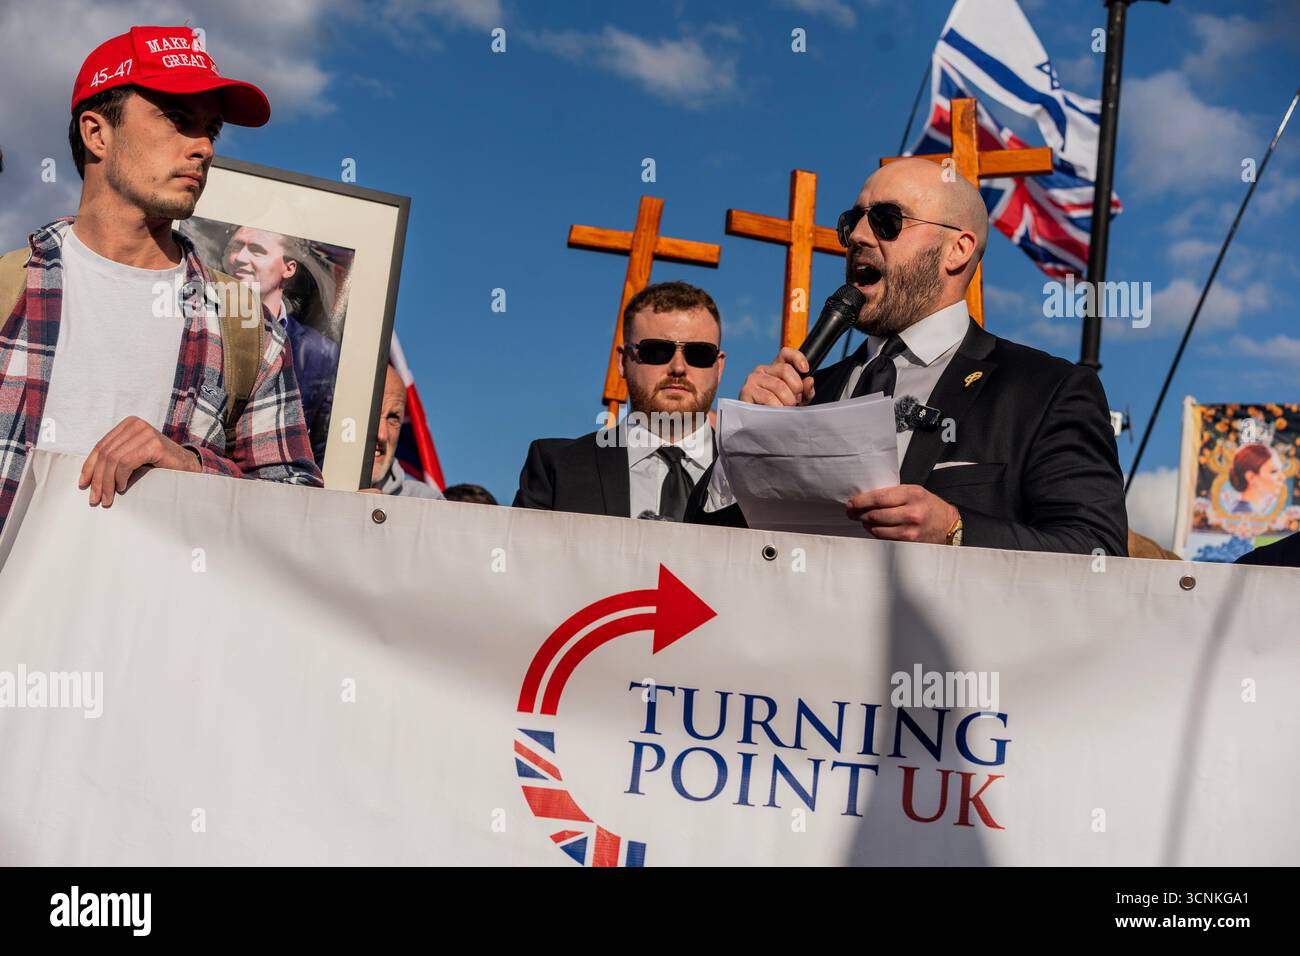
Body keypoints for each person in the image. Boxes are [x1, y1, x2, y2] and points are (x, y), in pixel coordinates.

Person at [691, 157, 1127, 557]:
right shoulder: (806, 395)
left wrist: (957, 529)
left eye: (886, 220)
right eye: (852, 221)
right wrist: (746, 446)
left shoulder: (1046, 390)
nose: (859, 237)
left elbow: (1097, 550)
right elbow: (702, 546)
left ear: (957, 250)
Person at [0, 25, 320, 532]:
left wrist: (191, 468)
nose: (203, 148)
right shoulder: (7, 291)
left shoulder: (243, 325)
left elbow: (298, 508)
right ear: (96, 133)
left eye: (210, 130)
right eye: (175, 119)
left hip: (156, 609)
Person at [514, 281, 725, 520]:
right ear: (622, 361)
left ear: (719, 367)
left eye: (699, 353)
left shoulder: (754, 477)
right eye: (656, 351)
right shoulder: (557, 468)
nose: (678, 367)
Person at [223, 227, 340, 466]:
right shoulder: (197, 323)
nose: (240, 258)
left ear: (289, 268)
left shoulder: (320, 355)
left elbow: (324, 449)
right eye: (236, 246)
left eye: (256, 250)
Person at [371, 365, 442, 498]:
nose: (382, 435)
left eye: (393, 418)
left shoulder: (428, 503)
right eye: (371, 414)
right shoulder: (318, 493)